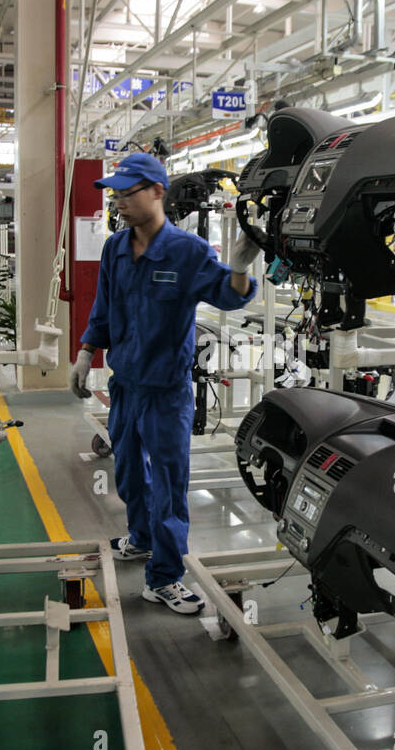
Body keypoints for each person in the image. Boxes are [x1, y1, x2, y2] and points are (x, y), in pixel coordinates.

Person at [70, 152, 260, 615]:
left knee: (170, 487)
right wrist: (84, 353)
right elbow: (104, 306)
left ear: (157, 192)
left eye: (127, 193)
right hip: (125, 386)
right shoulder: (116, 247)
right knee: (132, 477)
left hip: (166, 392)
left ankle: (165, 576)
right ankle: (139, 538)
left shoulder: (187, 251)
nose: (119, 203)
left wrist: (238, 268)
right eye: (114, 195)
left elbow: (228, 297)